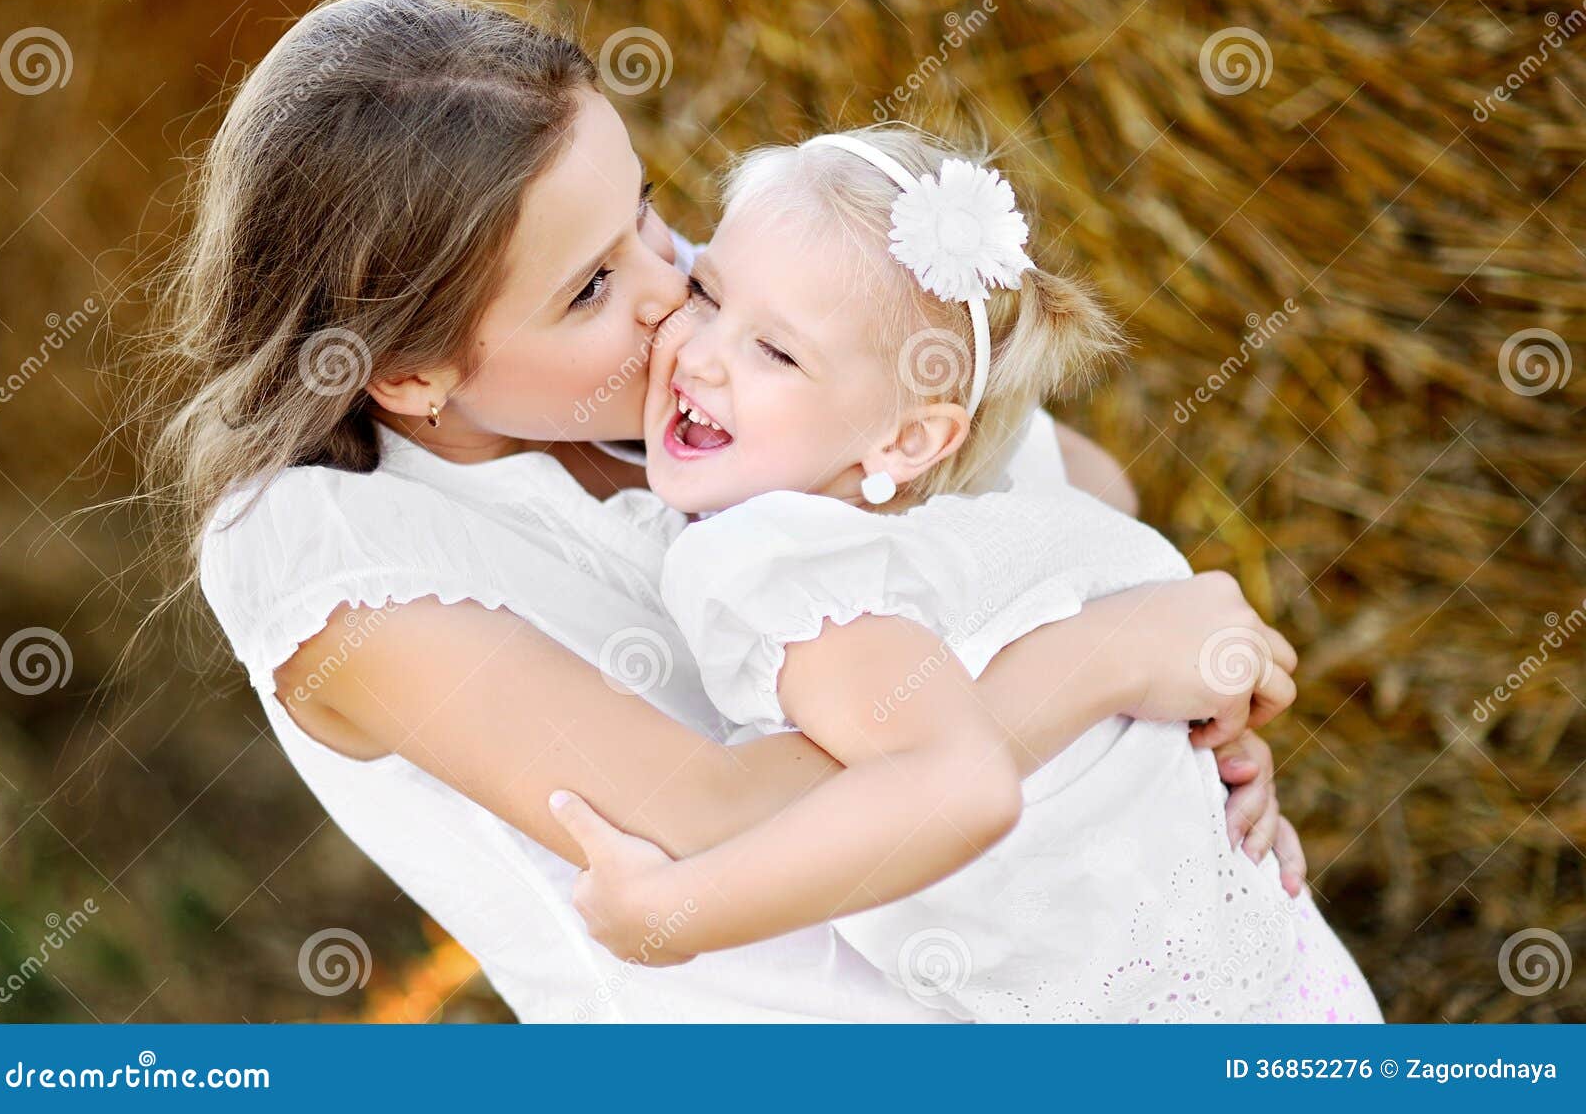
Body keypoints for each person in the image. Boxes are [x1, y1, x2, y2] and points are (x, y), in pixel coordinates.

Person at [149, 0, 1302, 1021]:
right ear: (406, 372)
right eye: (593, 283)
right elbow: (711, 813)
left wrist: (1154, 758)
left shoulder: (699, 326)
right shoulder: (329, 556)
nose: (668, 290)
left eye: (645, 209)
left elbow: (1070, 481)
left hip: (1077, 976)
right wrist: (1103, 662)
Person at [549, 128, 1382, 1022]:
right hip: (1298, 980)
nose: (700, 354)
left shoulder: (769, 560)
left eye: (777, 352)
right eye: (707, 293)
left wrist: (672, 918)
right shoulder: (1019, 533)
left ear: (907, 440)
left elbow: (954, 782)